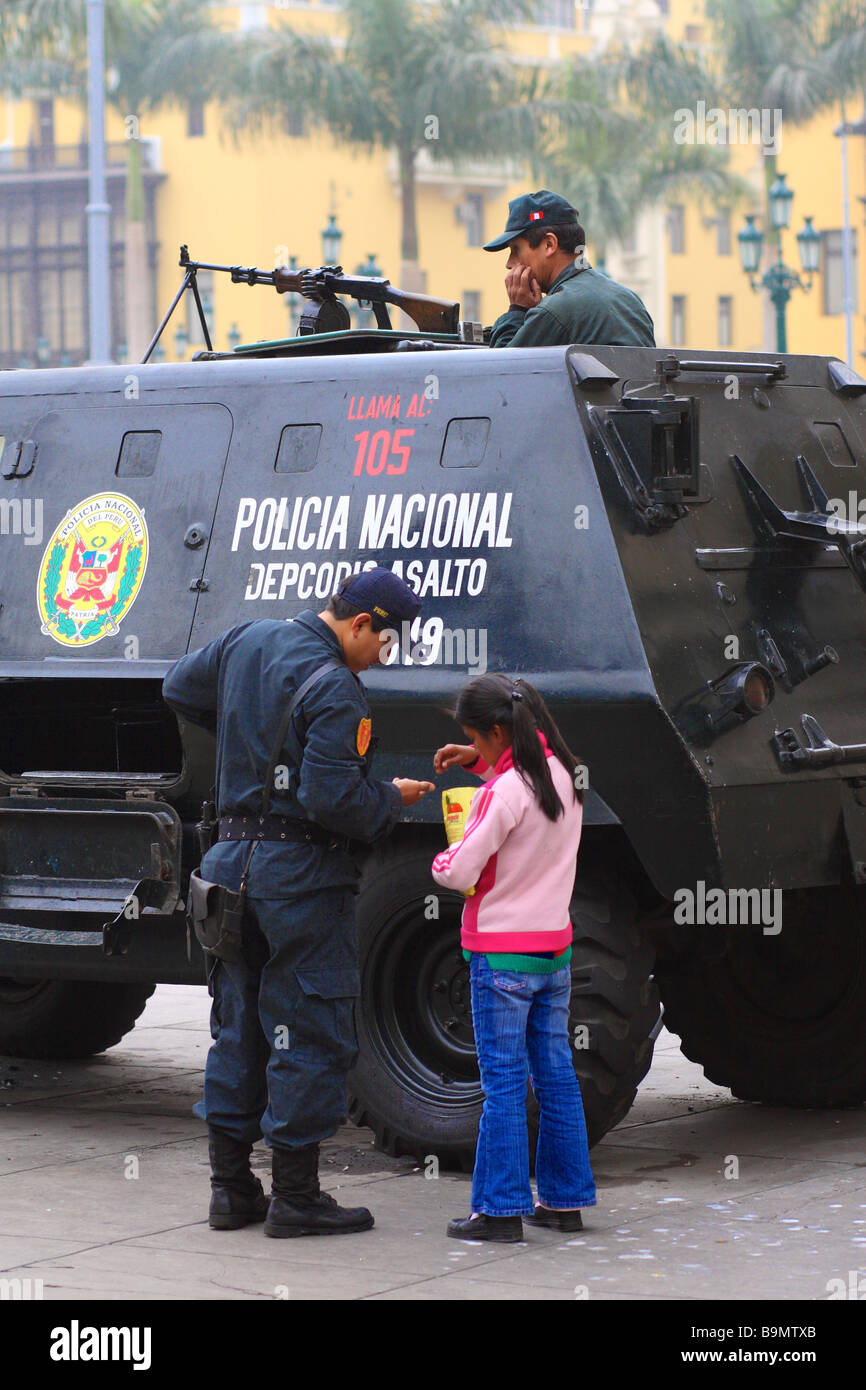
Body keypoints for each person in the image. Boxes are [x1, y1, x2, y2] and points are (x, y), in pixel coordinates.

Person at [162, 567, 434, 1238]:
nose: (384, 660)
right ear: (361, 623)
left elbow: (177, 687)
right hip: (301, 879)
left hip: (228, 870)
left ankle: (231, 1190)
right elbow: (332, 800)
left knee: (239, 1028)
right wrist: (390, 799)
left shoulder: (247, 639)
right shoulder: (338, 688)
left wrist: (245, 729)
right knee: (308, 1030)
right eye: (387, 644)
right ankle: (296, 1197)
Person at [431, 674, 596, 1242]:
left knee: (503, 1084)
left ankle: (499, 1211)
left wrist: (441, 860)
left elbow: (460, 869)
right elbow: (526, 799)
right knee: (556, 1075)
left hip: (501, 958)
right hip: (553, 953)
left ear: (498, 732)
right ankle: (564, 1203)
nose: (472, 744)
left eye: (475, 736)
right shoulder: (564, 774)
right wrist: (479, 761)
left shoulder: (502, 793)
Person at [483, 188, 655, 348]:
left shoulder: (554, 311)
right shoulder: (629, 299)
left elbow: (501, 367)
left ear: (549, 245)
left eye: (516, 250)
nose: (509, 263)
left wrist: (517, 309)